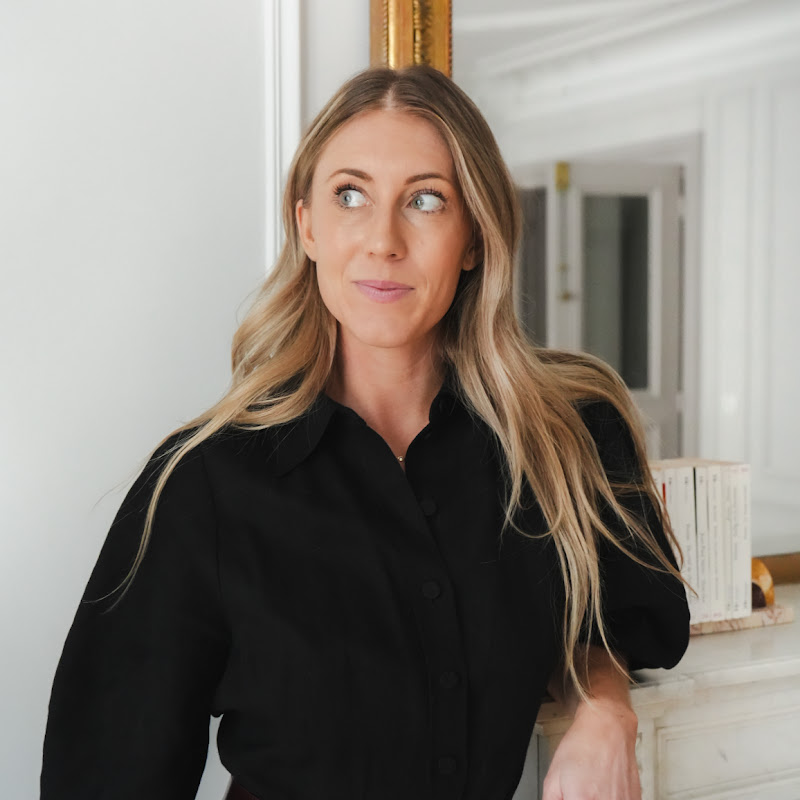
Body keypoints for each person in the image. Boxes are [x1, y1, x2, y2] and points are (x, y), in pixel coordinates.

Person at [40, 65, 690, 800]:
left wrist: (604, 707)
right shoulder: (203, 488)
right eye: (351, 195)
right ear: (308, 226)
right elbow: (104, 774)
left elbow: (624, 619)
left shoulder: (567, 435)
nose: (383, 241)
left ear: (474, 238)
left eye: (425, 200)